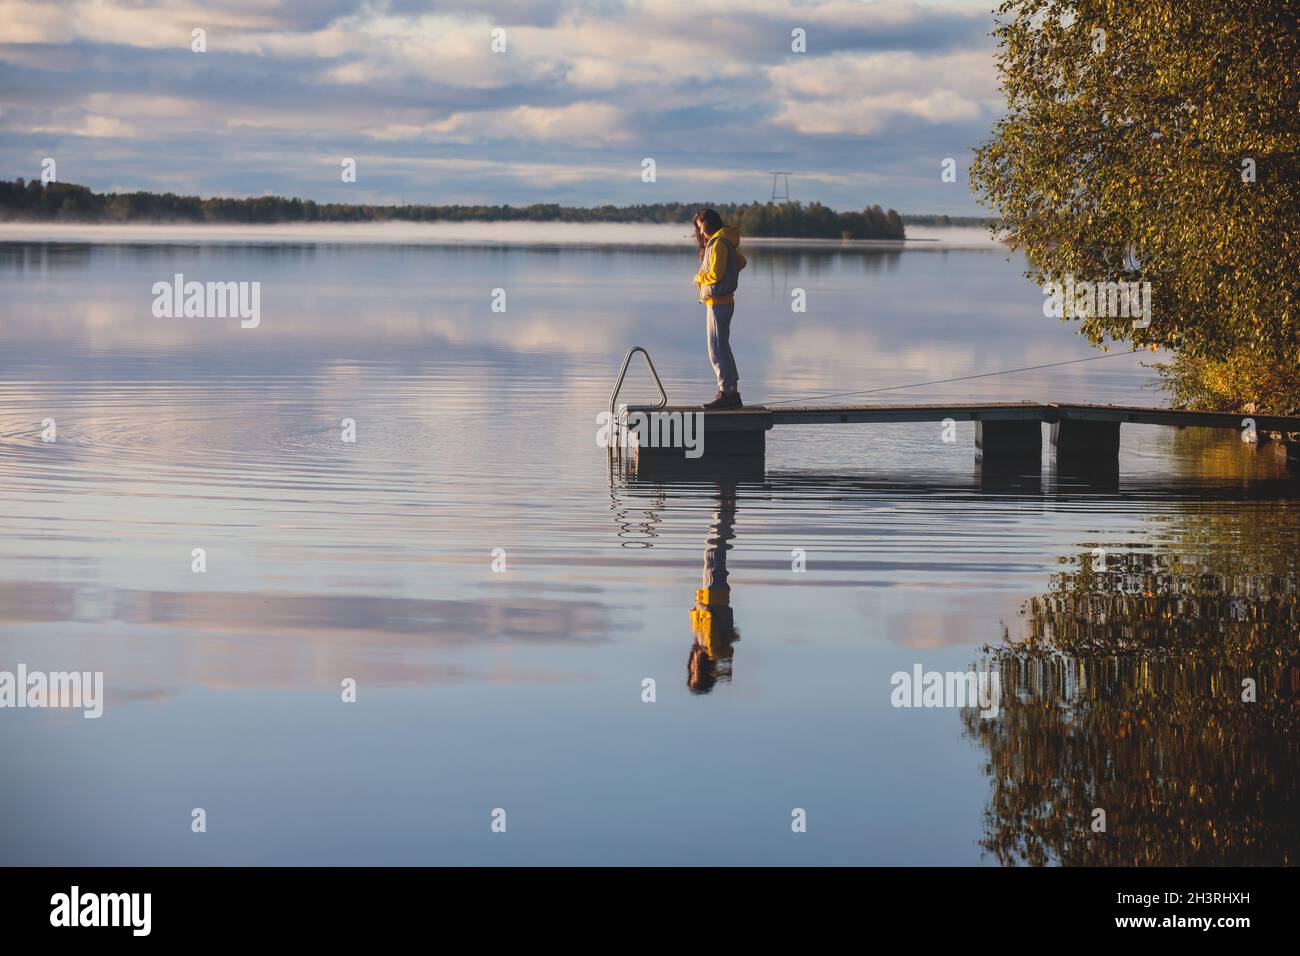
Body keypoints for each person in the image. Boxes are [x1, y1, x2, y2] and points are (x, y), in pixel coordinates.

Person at [692, 209, 747, 409]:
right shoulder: (725, 240)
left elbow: (715, 274)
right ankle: (731, 391)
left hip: (718, 302)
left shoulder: (717, 244)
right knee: (722, 346)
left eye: (700, 227)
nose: (700, 232)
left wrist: (699, 278)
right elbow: (741, 262)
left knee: (716, 349)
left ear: (707, 224)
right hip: (724, 301)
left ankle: (726, 393)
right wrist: (731, 272)